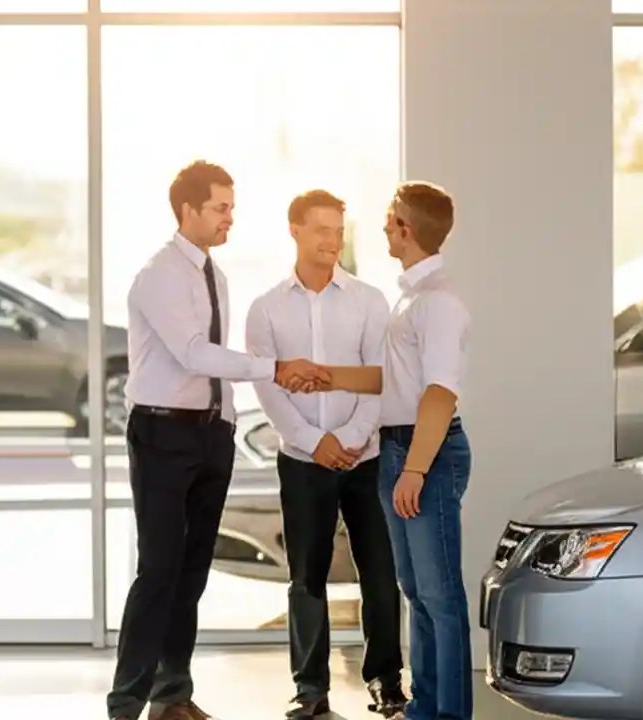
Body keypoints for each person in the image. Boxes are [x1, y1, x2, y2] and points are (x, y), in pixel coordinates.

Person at [107, 160, 328, 720]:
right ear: (189, 210)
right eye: (220, 208)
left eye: (230, 206)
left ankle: (172, 697)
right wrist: (274, 368)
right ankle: (125, 702)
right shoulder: (160, 275)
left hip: (209, 434)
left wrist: (225, 419)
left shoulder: (215, 274)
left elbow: (210, 360)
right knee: (158, 568)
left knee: (192, 570)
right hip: (162, 432)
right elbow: (192, 353)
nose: (231, 217)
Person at [289, 181, 471, 720]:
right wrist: (324, 378)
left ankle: (451, 715)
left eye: (391, 220)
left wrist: (415, 467)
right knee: (416, 592)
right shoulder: (411, 296)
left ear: (406, 230)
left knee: (441, 597)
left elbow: (439, 391)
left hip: (425, 453)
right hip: (399, 449)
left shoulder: (439, 302)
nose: (384, 226)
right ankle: (426, 708)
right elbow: (396, 379)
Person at [244, 190, 406, 719]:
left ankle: (386, 680)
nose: (331, 241)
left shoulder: (369, 301)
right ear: (294, 229)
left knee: (380, 572)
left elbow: (381, 379)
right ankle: (310, 690)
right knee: (306, 577)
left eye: (338, 231)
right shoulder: (265, 309)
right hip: (302, 460)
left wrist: (354, 437)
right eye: (320, 230)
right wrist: (317, 442)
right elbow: (269, 388)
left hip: (367, 458)